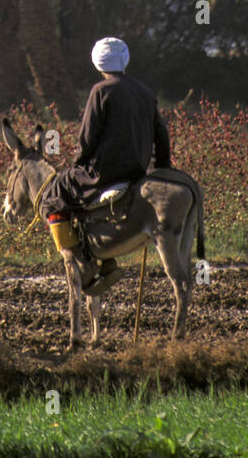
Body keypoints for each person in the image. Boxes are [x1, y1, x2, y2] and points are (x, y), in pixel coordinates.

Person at [41, 37, 172, 294]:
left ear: (97, 61)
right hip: (138, 171)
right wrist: (160, 169)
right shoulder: (145, 92)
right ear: (125, 59)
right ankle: (106, 259)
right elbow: (162, 135)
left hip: (104, 172)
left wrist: (77, 164)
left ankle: (83, 261)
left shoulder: (100, 91)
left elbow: (87, 138)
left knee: (53, 196)